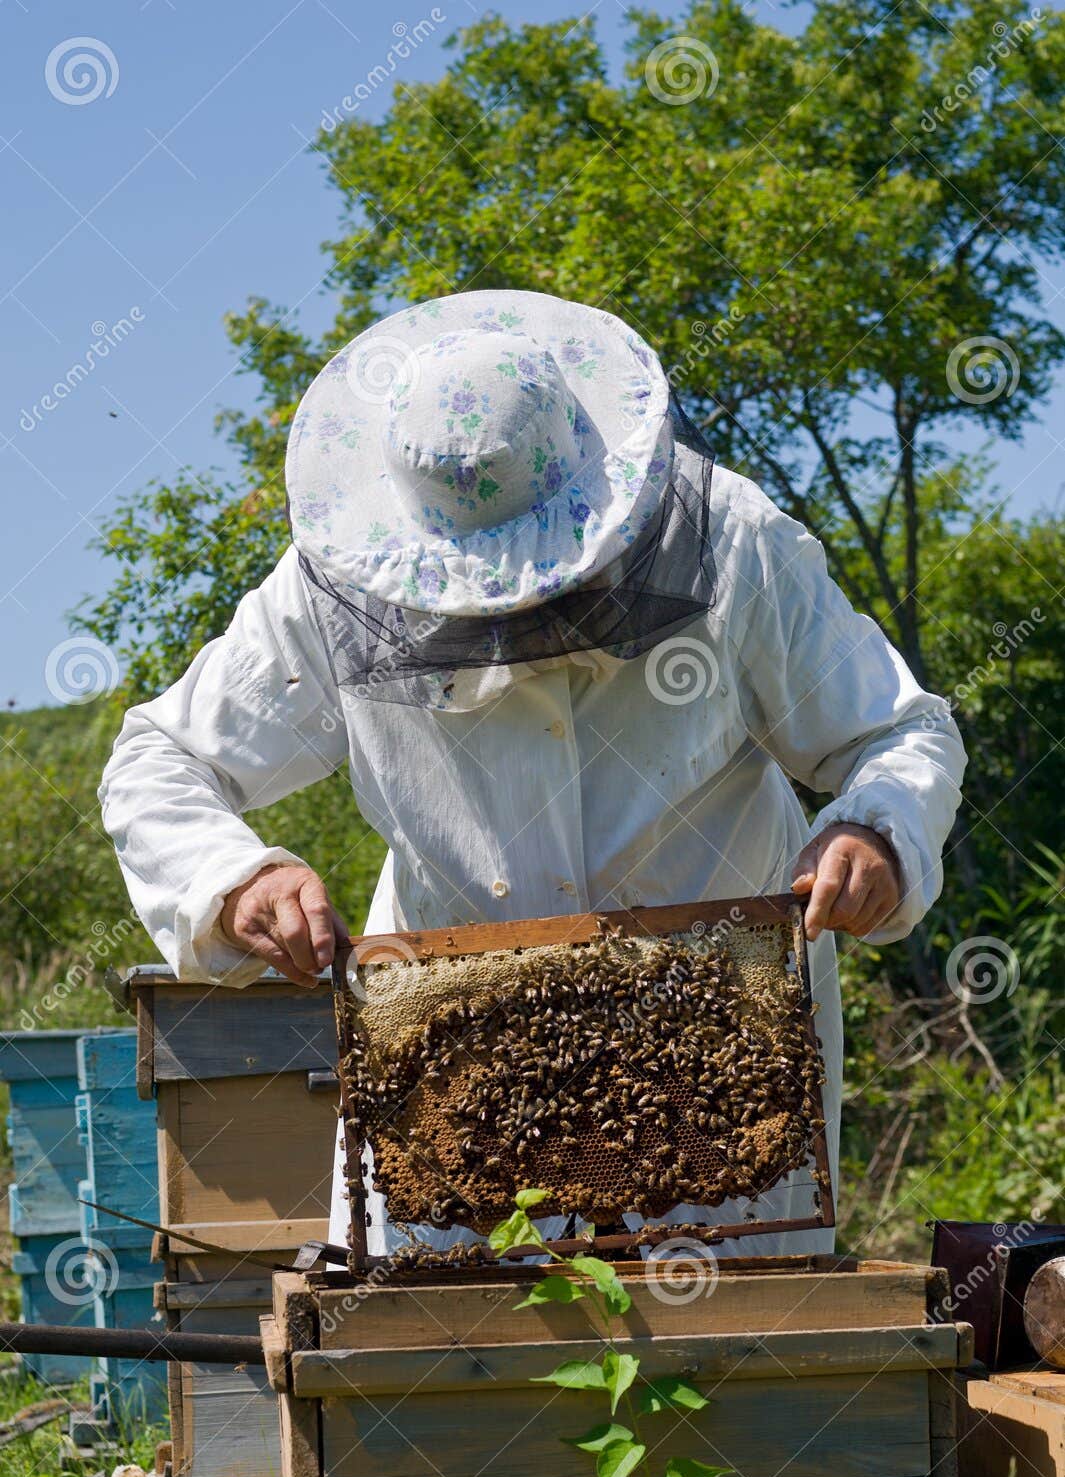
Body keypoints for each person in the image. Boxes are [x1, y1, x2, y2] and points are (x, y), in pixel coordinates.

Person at [100, 288, 965, 1257]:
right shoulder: (330, 589)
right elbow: (159, 759)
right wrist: (234, 877)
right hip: (457, 1078)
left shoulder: (732, 540)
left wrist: (876, 830)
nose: (519, 621)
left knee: (731, 1383)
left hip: (721, 1073)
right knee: (462, 1381)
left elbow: (900, 731)